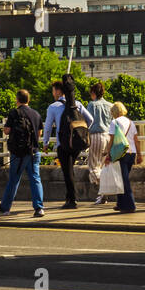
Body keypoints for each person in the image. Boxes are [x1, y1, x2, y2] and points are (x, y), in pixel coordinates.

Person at [42, 77, 92, 209]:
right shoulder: (78, 104)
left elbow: (47, 127)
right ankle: (70, 197)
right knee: (70, 170)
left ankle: (72, 200)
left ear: (58, 91)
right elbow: (90, 119)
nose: (53, 94)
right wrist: (83, 134)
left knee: (67, 171)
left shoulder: (53, 107)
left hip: (62, 144)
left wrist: (45, 143)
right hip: (76, 143)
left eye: (53, 91)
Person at [0, 89, 44, 217]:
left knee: (14, 179)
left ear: (17, 100)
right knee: (35, 178)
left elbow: (6, 130)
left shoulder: (14, 113)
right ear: (29, 100)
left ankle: (5, 207)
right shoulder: (36, 114)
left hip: (18, 153)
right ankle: (39, 208)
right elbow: (39, 133)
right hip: (33, 151)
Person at [104, 100, 142, 213]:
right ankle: (120, 203)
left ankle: (130, 205)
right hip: (132, 153)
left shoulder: (114, 122)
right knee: (121, 178)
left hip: (121, 153)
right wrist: (139, 154)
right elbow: (136, 140)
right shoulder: (131, 122)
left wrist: (108, 153)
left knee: (123, 180)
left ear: (114, 112)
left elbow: (111, 140)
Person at [86, 81, 113, 204]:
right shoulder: (109, 105)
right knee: (103, 166)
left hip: (96, 135)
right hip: (107, 136)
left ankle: (104, 189)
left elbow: (87, 120)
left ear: (93, 93)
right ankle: (103, 194)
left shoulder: (92, 105)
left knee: (93, 167)